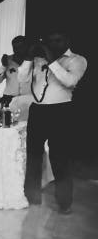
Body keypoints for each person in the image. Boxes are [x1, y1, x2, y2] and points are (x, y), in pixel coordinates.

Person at [18, 33, 88, 214]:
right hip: (37, 111)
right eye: (50, 40)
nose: (53, 43)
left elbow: (69, 81)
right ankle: (32, 196)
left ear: (67, 41)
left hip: (61, 112)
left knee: (60, 158)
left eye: (58, 40)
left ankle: (64, 203)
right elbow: (21, 79)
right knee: (33, 155)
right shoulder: (37, 60)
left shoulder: (77, 60)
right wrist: (28, 58)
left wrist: (51, 60)